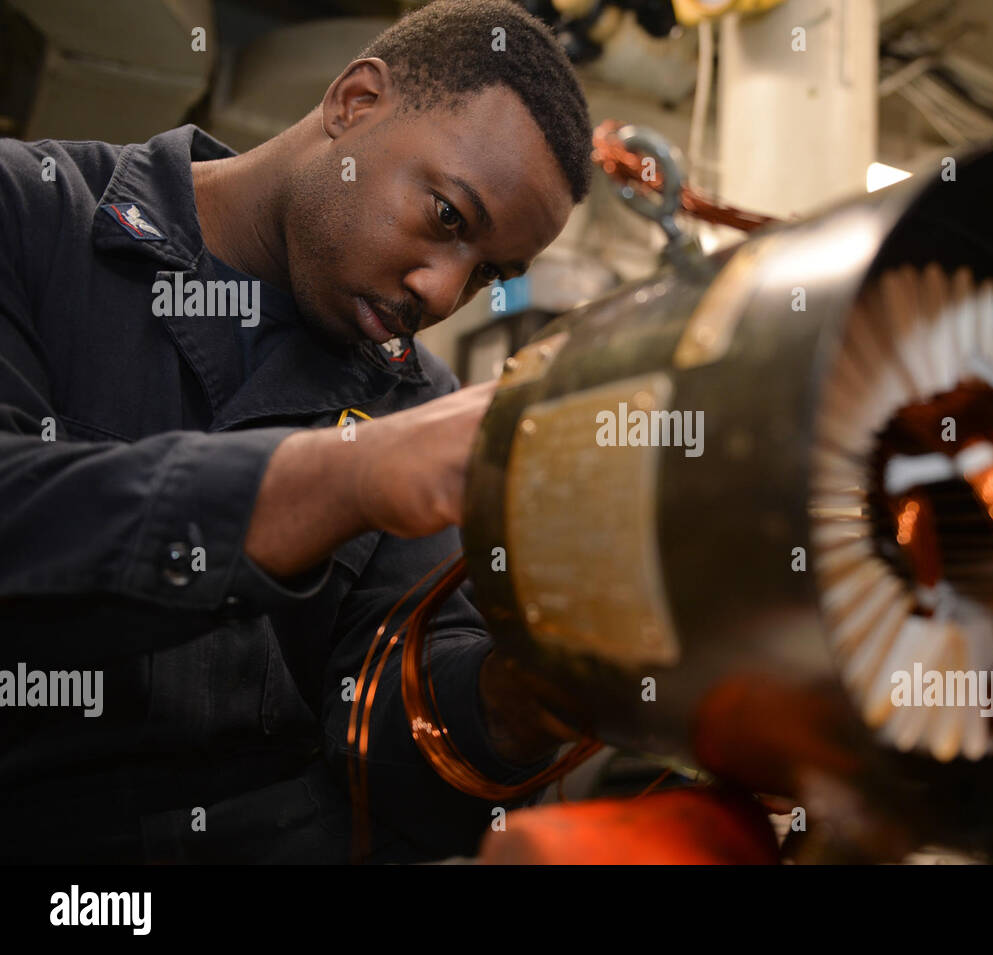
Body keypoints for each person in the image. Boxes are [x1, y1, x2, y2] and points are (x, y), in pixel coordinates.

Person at [0, 0, 591, 862]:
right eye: (449, 219)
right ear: (354, 101)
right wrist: (344, 478)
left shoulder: (417, 399)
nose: (440, 291)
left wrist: (527, 690)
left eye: (488, 274)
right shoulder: (32, 214)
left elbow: (382, 739)